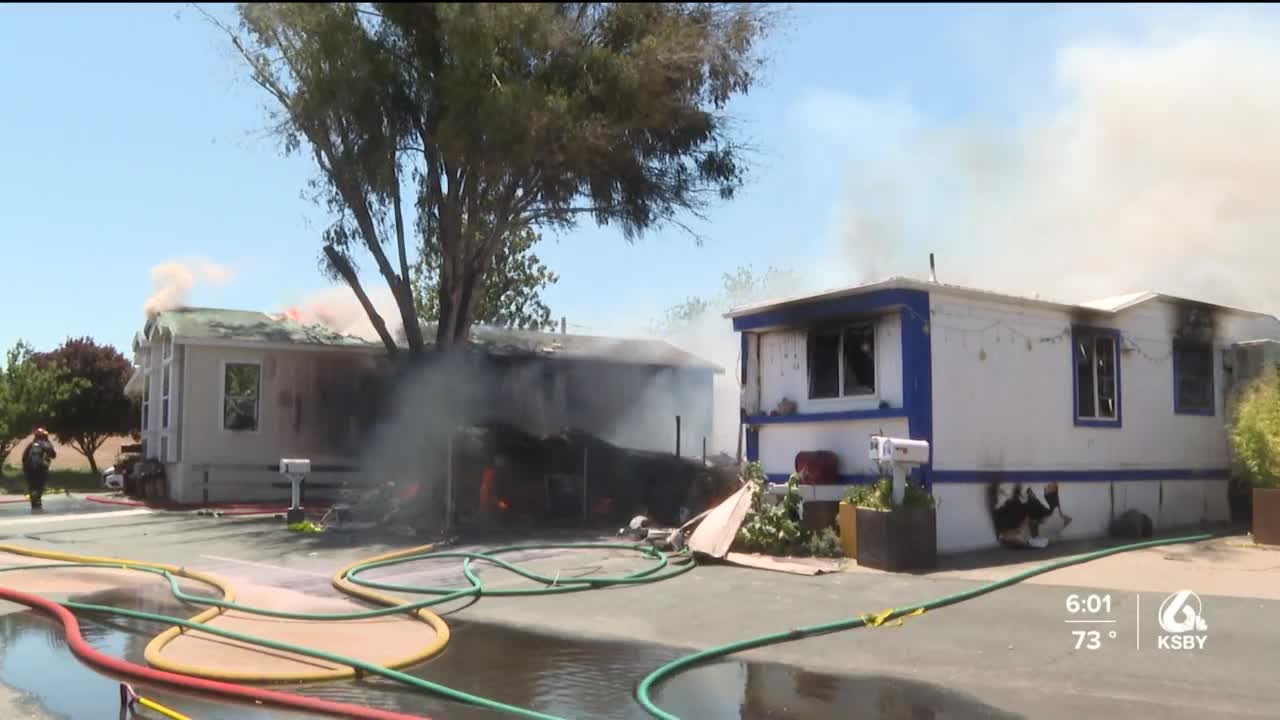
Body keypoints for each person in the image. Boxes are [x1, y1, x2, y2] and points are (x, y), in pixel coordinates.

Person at [21, 428, 56, 511]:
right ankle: (38, 505)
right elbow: (53, 455)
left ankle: (34, 505)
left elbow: (24, 458)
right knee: (39, 486)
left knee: (32, 487)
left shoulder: (30, 445)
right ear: (45, 436)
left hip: (28, 469)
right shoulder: (45, 444)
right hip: (40, 468)